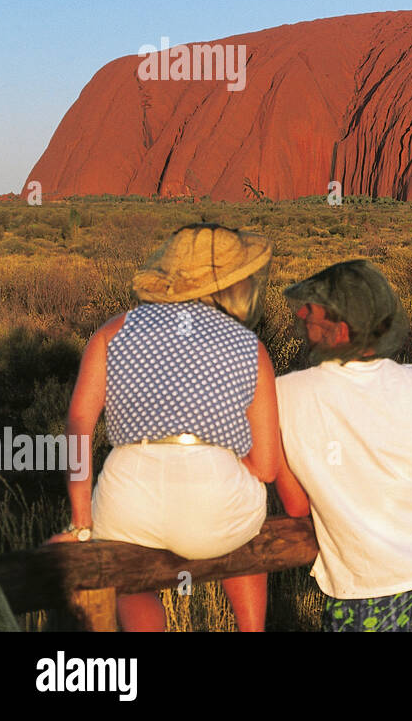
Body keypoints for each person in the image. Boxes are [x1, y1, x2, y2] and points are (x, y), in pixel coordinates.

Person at [48, 223, 278, 632]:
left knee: (127, 581)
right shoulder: (249, 347)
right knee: (246, 529)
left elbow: (79, 424)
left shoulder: (111, 331)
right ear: (232, 284)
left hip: (127, 501)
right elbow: (267, 468)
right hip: (215, 509)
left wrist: (82, 523)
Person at [273, 260, 412, 632]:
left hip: (361, 592)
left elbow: (296, 505)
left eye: (313, 318)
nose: (305, 324)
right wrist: (399, 505)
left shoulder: (284, 395)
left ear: (338, 328)